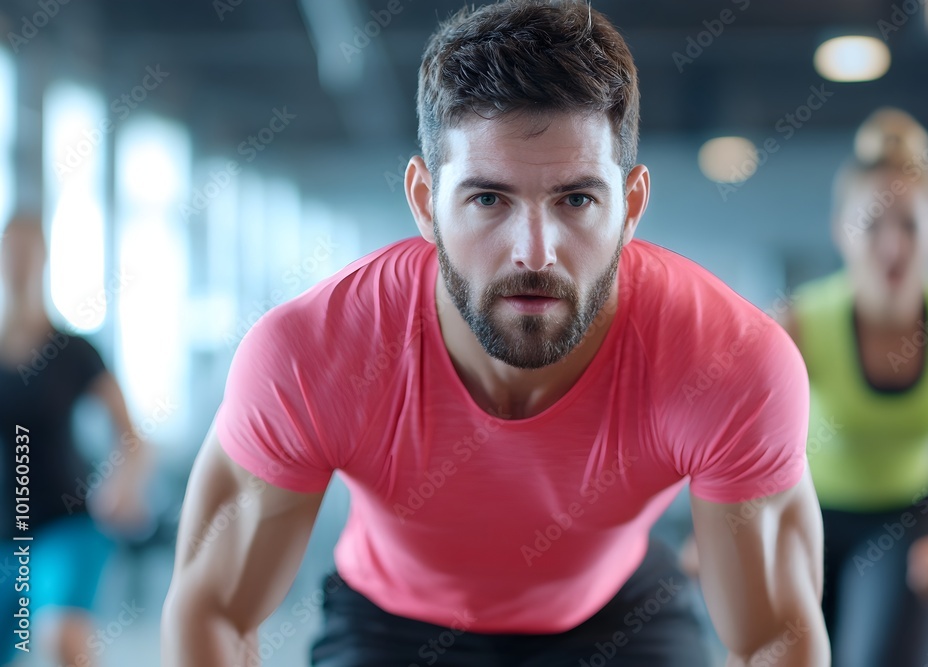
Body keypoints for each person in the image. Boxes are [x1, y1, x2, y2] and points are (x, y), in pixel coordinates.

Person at [162, 2, 830, 665]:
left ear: (630, 208)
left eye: (575, 199)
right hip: (391, 624)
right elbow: (212, 610)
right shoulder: (311, 353)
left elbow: (777, 637)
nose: (534, 253)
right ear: (426, 203)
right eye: (488, 198)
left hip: (618, 611)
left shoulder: (731, 362)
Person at [790, 109, 928, 666]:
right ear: (842, 230)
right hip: (809, 514)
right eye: (873, 224)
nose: (892, 245)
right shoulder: (798, 324)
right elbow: (741, 445)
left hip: (913, 517)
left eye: (909, 224)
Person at [0, 214, 152, 666]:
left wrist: (122, 485)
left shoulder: (73, 351)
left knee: (60, 637)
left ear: (44, 259)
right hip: (7, 531)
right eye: (11, 251)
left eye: (29, 251)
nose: (19, 262)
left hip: (69, 522)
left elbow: (133, 438)